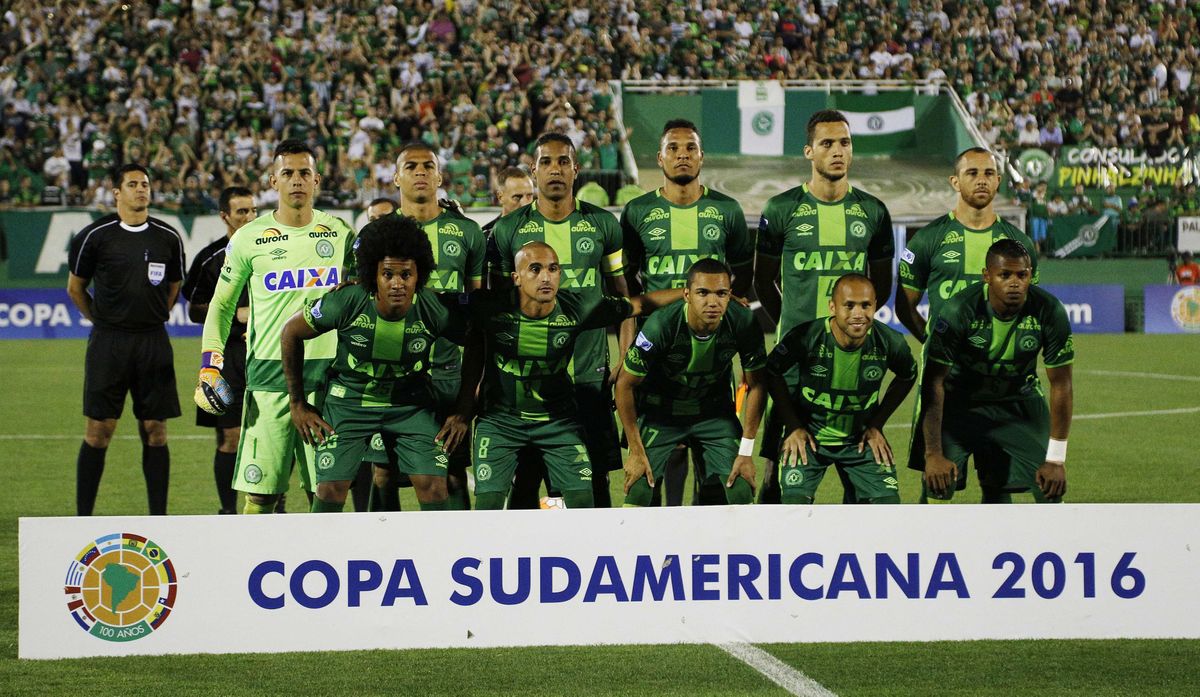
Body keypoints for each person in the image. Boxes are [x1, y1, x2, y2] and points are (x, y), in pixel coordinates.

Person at [195, 139, 355, 514]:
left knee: (327, 493)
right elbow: (221, 305)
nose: (296, 180)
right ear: (273, 181)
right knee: (261, 495)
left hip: (327, 380)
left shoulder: (340, 233)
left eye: (304, 173)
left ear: (316, 180)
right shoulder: (249, 238)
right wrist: (209, 364)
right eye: (288, 173)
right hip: (268, 379)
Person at [464, 241, 684, 509]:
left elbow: (637, 305)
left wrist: (689, 291)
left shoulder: (577, 307)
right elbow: (439, 307)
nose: (546, 277)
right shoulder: (489, 306)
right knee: (488, 506)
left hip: (558, 422)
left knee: (582, 502)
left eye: (553, 269)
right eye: (535, 269)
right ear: (516, 277)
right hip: (501, 423)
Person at [280, 215, 473, 512]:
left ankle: (437, 544)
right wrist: (297, 403)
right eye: (387, 274)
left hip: (410, 403)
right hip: (350, 401)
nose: (397, 284)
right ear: (373, 274)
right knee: (330, 489)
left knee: (434, 486)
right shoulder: (347, 301)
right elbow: (290, 332)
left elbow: (477, 342)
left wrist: (463, 411)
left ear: (419, 275)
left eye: (406, 275)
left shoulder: (434, 307)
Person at [754, 109, 895, 505]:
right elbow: (763, 281)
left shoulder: (873, 212)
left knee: (859, 468)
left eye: (844, 143)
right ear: (809, 151)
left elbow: (881, 286)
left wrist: (853, 328)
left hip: (852, 357)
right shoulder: (781, 209)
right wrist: (794, 329)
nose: (837, 151)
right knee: (777, 473)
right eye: (827, 143)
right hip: (794, 364)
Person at [619, 119, 754, 507]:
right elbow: (627, 291)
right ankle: (666, 522)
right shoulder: (638, 211)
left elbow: (742, 277)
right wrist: (627, 349)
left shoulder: (726, 210)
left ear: (701, 156)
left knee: (712, 463)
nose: (682, 155)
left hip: (711, 352)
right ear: (659, 158)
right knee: (658, 460)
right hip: (657, 352)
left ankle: (700, 524)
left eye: (690, 148)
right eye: (673, 148)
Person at [491, 133, 628, 507]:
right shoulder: (508, 230)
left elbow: (624, 300)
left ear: (576, 169)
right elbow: (498, 314)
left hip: (589, 377)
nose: (555, 169)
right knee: (525, 482)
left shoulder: (602, 224)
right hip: (528, 383)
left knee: (594, 481)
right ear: (533, 170)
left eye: (563, 161)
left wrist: (624, 360)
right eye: (547, 162)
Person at [896, 148, 1040, 503]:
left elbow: (1028, 310)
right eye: (972, 173)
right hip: (947, 386)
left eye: (989, 173)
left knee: (998, 489)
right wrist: (934, 343)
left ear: (999, 181)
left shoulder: (1019, 245)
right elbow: (905, 307)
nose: (981, 180)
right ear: (955, 181)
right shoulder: (929, 239)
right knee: (938, 487)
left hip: (1000, 387)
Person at [363, 142, 486, 512]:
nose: (420, 172)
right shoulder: (375, 235)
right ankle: (383, 542)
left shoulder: (467, 232)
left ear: (440, 176)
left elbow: (477, 311)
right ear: (396, 178)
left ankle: (459, 543)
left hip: (448, 374)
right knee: (383, 473)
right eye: (411, 166)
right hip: (391, 377)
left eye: (428, 166)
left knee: (453, 471)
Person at [914, 239, 1074, 504]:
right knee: (938, 486)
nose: (1015, 283)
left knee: (1050, 486)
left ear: (1030, 275)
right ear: (987, 276)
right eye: (1005, 275)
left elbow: (1062, 384)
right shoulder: (958, 309)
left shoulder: (1049, 310)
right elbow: (933, 381)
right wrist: (932, 454)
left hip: (1019, 403)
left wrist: (1056, 458)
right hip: (961, 405)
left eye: (1022, 275)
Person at [67, 163, 186, 515]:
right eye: (132, 184)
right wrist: (102, 321)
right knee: (98, 430)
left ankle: (159, 518)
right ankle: (82, 519)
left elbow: (174, 286)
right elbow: (75, 288)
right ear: (117, 192)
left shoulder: (168, 236)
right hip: (109, 344)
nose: (141, 189)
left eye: (145, 184)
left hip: (153, 341)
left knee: (156, 430)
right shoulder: (95, 235)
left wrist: (152, 315)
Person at [617, 258, 767, 507]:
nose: (712, 302)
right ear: (687, 295)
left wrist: (746, 451)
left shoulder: (743, 321)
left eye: (721, 294)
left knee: (740, 487)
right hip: (662, 413)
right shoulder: (661, 324)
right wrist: (635, 450)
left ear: (730, 294)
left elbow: (758, 385)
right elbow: (625, 384)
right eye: (703, 293)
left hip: (713, 413)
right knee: (639, 488)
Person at [766, 274, 916, 504]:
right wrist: (793, 426)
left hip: (860, 441)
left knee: (888, 507)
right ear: (832, 307)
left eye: (866, 305)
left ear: (875, 305)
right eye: (849, 306)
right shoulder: (807, 336)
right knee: (794, 507)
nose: (858, 314)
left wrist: (877, 424)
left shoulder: (890, 341)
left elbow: (908, 375)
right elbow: (772, 371)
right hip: (810, 440)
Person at [181, 186, 257, 515]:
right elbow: (194, 309)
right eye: (241, 211)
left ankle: (276, 508)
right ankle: (228, 511)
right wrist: (236, 315)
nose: (249, 217)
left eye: (253, 210)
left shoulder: (271, 252)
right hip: (227, 357)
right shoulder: (210, 258)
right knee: (230, 436)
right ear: (224, 216)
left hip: (265, 354)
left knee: (273, 437)